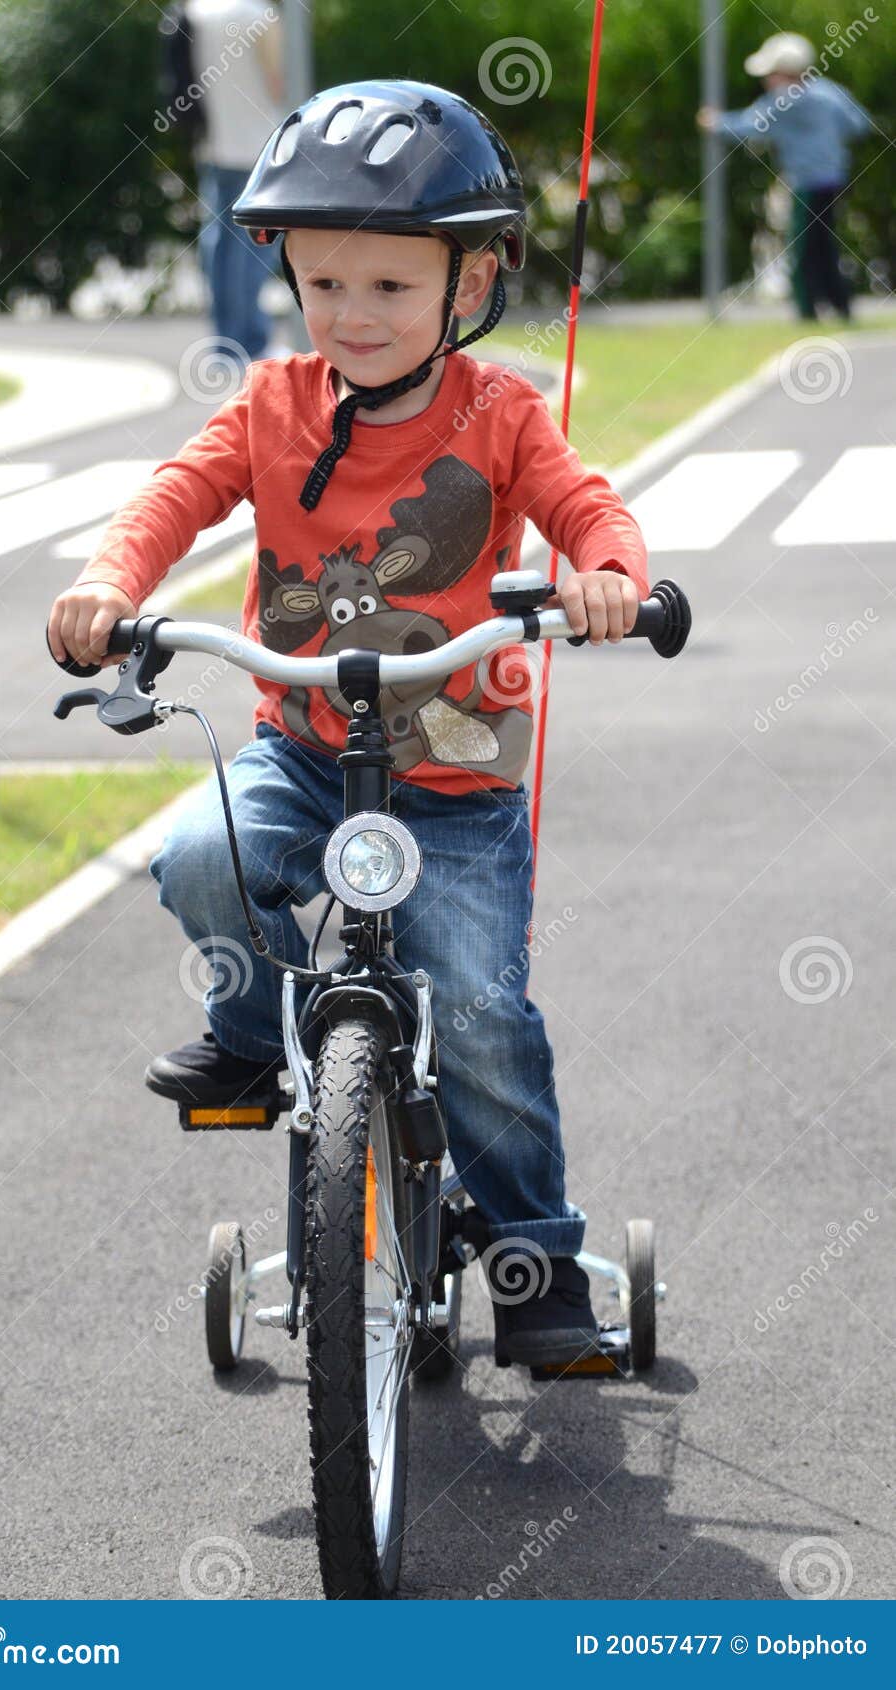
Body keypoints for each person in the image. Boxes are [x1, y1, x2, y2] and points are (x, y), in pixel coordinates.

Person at [47, 80, 649, 1369]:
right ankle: (261, 1037)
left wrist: (604, 573)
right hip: (307, 753)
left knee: (483, 1017)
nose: (351, 316)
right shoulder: (269, 406)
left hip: (459, 780)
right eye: (325, 285)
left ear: (467, 281)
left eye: (387, 286)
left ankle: (535, 1260)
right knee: (202, 858)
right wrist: (111, 585)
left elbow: (584, 504)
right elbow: (174, 493)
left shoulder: (498, 413)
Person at [697, 31, 872, 321]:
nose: (766, 81)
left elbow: (748, 126)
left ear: (787, 72)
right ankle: (841, 307)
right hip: (834, 179)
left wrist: (713, 122)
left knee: (803, 249)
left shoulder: (786, 101)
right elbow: (859, 124)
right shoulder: (828, 91)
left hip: (808, 183)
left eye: (771, 73)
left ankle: (807, 312)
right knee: (824, 246)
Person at [187, 0, 285, 365]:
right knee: (253, 248)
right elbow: (280, 84)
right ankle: (252, 340)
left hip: (216, 145)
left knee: (220, 246)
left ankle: (225, 343)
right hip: (258, 148)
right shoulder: (260, 17)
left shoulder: (199, 12)